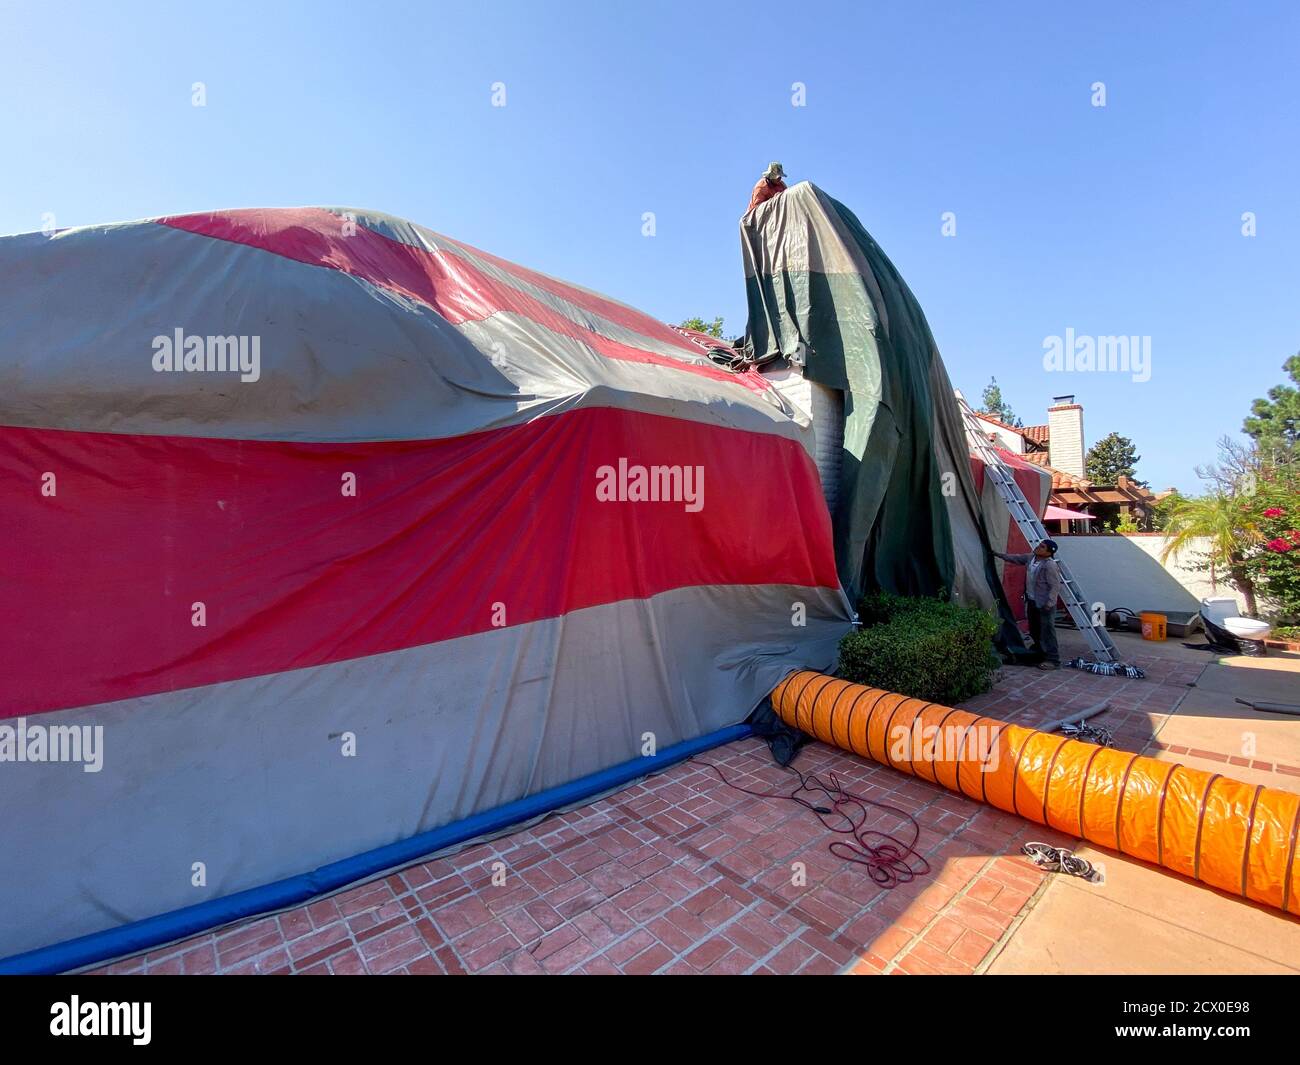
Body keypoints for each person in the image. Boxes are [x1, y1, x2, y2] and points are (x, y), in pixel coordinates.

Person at [994, 539, 1063, 670]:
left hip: (1045, 604)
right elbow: (1016, 558)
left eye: (1042, 547)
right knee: (1035, 630)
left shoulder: (1049, 565)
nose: (1038, 547)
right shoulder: (1031, 558)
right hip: (1032, 601)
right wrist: (998, 555)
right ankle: (1040, 652)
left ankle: (1053, 660)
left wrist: (1050, 602)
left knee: (1048, 632)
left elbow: (1055, 586)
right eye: (1039, 545)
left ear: (1048, 553)